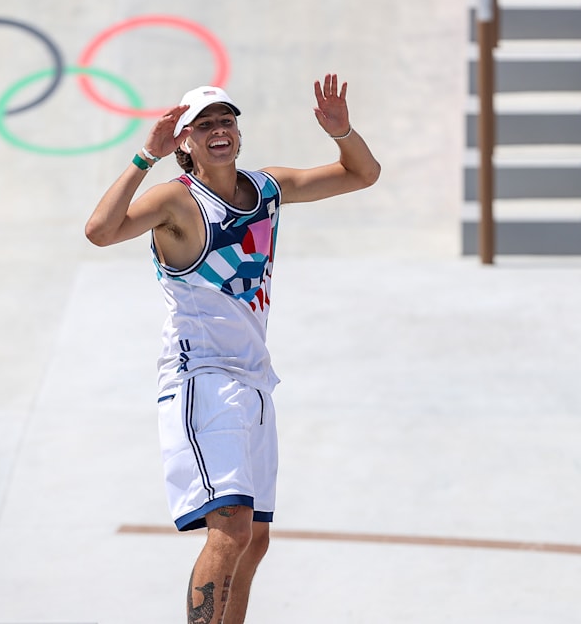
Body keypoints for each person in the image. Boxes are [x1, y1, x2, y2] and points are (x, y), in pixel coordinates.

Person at [85, 73, 380, 624]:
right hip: (203, 377)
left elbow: (363, 174)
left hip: (255, 380)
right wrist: (145, 157)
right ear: (186, 143)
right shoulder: (176, 199)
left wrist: (344, 132)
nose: (219, 130)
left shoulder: (266, 189)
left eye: (227, 121)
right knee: (230, 532)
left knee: (256, 539)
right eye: (204, 125)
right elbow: (100, 231)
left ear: (239, 134)